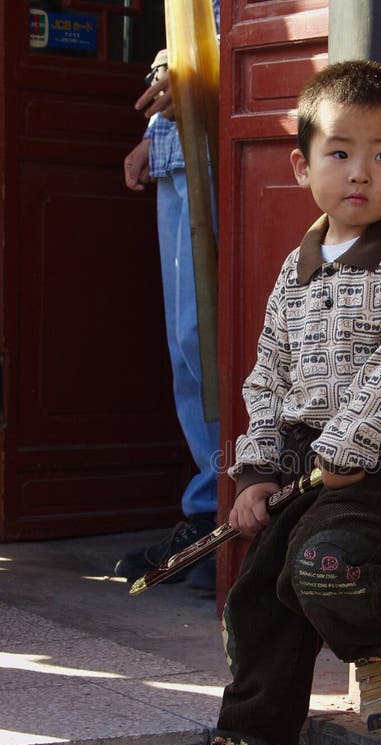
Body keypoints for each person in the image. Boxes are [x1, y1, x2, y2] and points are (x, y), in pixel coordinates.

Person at [178, 59, 381, 745]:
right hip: (301, 463)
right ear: (301, 165)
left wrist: (352, 442)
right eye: (338, 152)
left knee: (321, 569)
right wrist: (256, 474)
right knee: (258, 601)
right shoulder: (295, 271)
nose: (360, 171)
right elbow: (266, 378)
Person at [117, 1, 221, 594]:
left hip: (214, 129)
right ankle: (206, 510)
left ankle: (220, 512)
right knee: (186, 345)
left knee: (205, 335)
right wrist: (151, 137)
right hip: (177, 140)